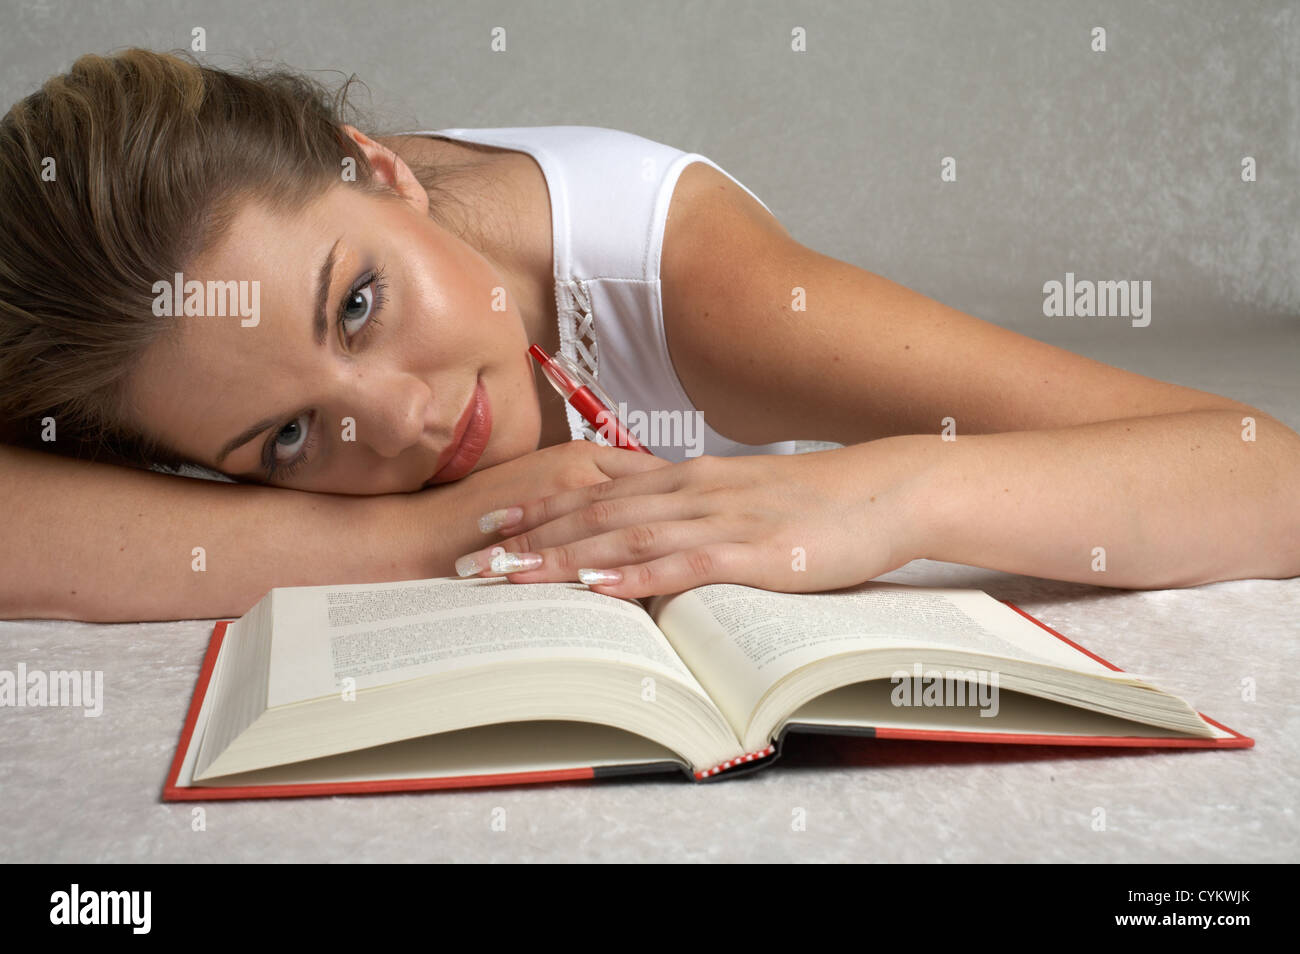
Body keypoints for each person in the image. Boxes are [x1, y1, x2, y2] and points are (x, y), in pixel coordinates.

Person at [2, 49, 1296, 623]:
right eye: (287, 436)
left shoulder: (681, 281)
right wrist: (415, 534)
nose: (395, 421)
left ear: (383, 172)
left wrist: (887, 493)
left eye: (357, 303)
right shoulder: (174, 362)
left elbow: (1263, 471)